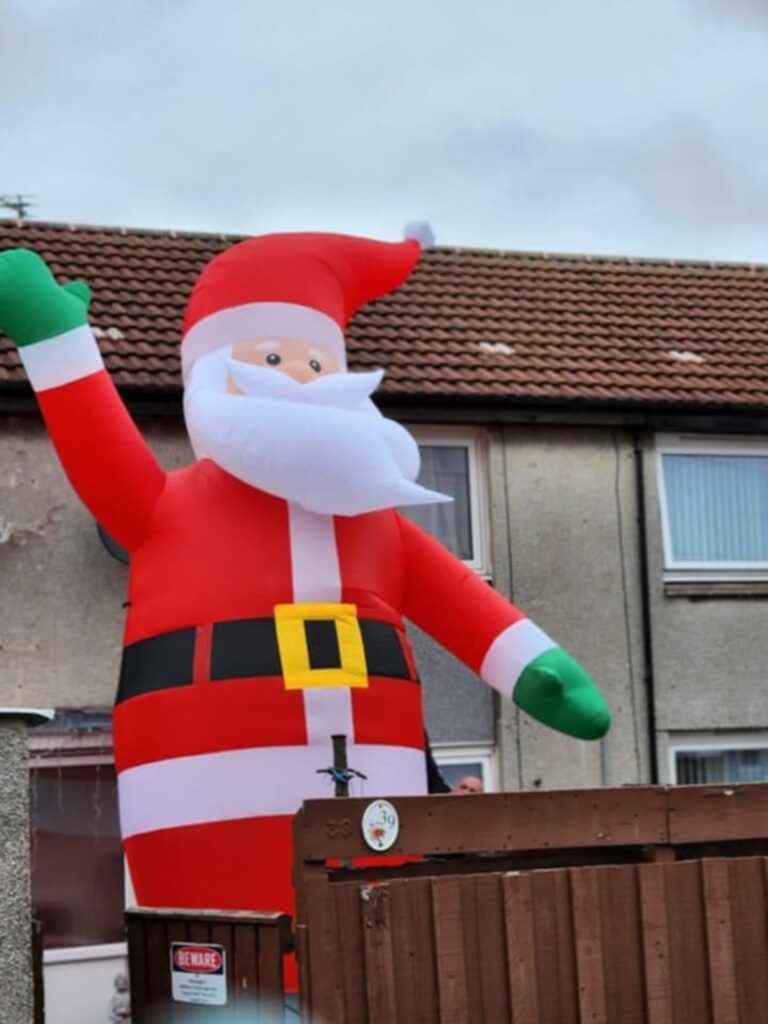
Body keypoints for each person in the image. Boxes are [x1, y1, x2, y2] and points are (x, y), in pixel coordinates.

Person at [0, 231, 610, 988]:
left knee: (368, 966)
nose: (298, 378)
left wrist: (537, 668)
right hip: (203, 804)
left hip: (375, 812)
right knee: (224, 972)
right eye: (269, 359)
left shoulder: (377, 525)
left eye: (316, 364)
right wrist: (57, 340)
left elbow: (462, 601)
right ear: (209, 379)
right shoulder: (169, 509)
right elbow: (99, 447)